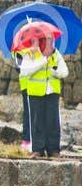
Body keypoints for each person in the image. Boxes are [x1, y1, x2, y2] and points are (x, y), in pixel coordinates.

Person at [18, 27, 68, 158]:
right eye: (47, 40)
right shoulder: (31, 54)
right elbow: (24, 71)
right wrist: (42, 62)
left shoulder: (56, 55)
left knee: (52, 121)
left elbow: (64, 72)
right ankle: (38, 149)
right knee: (36, 121)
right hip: (35, 92)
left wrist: (54, 71)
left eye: (51, 40)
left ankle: (54, 150)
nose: (50, 43)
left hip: (52, 92)